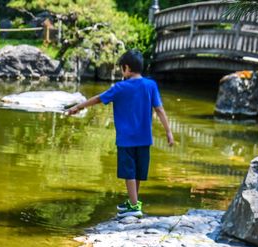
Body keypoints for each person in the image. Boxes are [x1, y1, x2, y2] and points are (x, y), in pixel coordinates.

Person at [64, 50, 175, 217]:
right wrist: (168, 132)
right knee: (137, 171)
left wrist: (77, 107)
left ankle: (134, 207)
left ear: (127, 68)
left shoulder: (120, 88)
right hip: (145, 139)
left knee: (129, 172)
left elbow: (97, 99)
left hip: (126, 139)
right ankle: (134, 201)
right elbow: (159, 109)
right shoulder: (150, 85)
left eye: (122, 69)